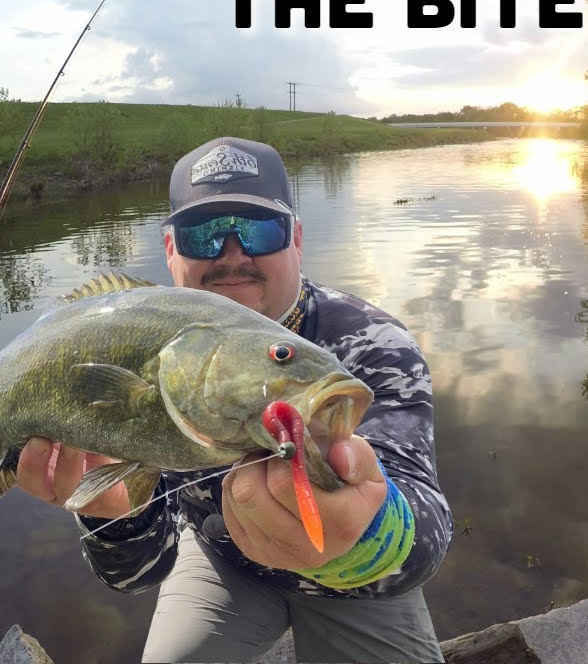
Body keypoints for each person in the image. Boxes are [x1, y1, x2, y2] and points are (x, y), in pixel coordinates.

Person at [13, 136, 453, 663]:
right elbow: (137, 576)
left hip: (360, 587)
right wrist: (112, 514)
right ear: (171, 250)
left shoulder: (374, 344)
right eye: (203, 235)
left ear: (296, 239)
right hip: (223, 562)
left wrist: (364, 533)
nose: (232, 254)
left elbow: (427, 535)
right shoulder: (142, 341)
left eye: (258, 228)